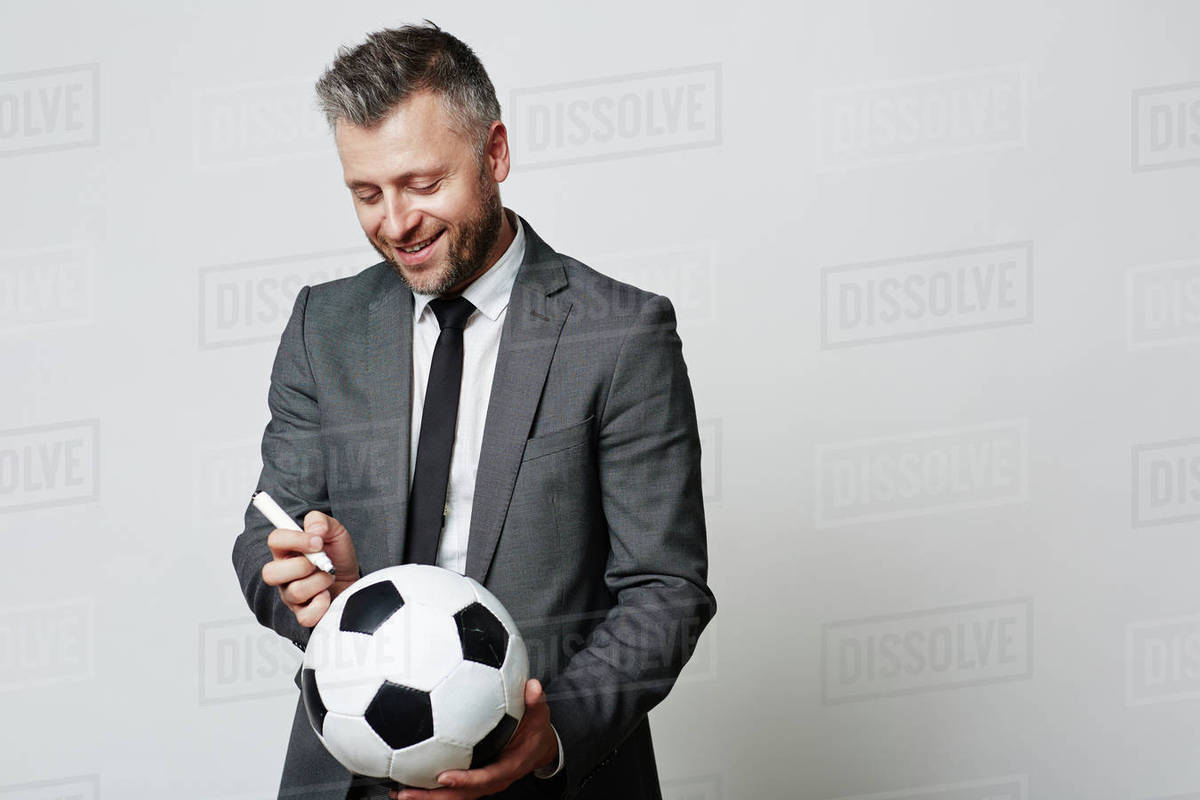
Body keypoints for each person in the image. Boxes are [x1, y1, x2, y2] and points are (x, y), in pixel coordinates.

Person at [231, 21, 715, 800]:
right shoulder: (325, 326)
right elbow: (264, 537)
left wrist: (551, 732)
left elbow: (665, 588)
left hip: (550, 774)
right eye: (367, 193)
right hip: (347, 773)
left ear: (494, 154)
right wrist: (311, 583)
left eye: (423, 184)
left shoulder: (621, 335)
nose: (395, 224)